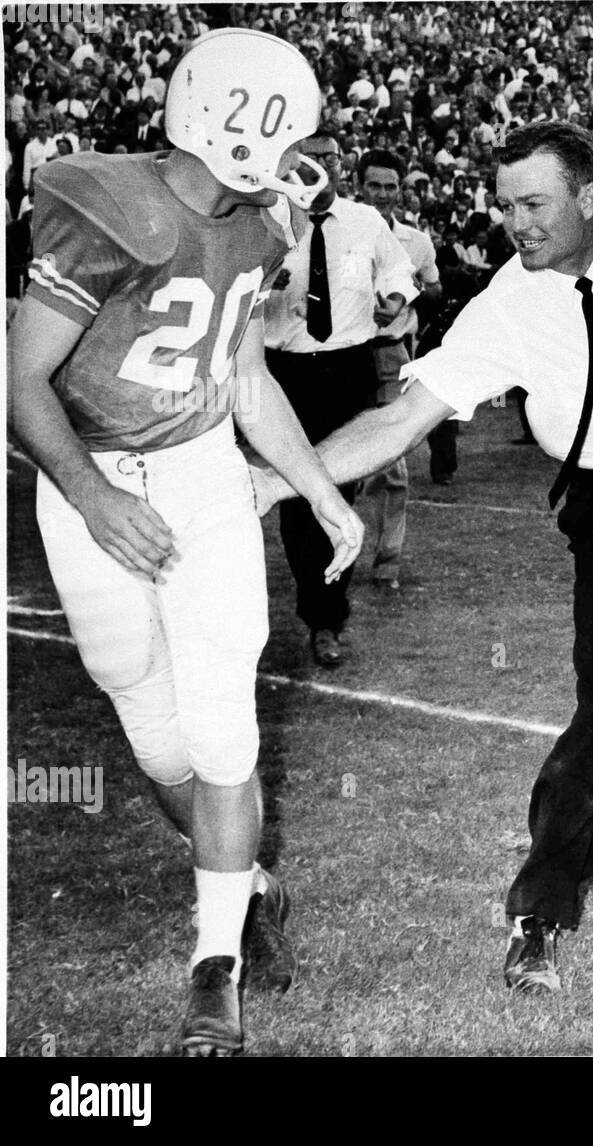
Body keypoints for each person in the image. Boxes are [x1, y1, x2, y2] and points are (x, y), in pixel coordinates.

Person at [251, 119, 593, 997]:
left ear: (589, 196)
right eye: (505, 205)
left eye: (535, 203)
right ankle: (540, 908)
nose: (517, 222)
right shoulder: (505, 303)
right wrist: (282, 481)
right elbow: (397, 422)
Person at [7, 29, 364, 1057]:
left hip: (202, 472)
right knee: (150, 724)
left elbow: (245, 376)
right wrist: (88, 493)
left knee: (220, 728)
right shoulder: (104, 204)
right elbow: (20, 383)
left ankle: (215, 968)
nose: (297, 153)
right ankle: (247, 888)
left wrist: (319, 494)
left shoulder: (258, 227)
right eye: (286, 130)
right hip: (93, 480)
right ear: (238, 124)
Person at [262, 130, 417, 666]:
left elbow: (398, 268)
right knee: (296, 492)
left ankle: (327, 614)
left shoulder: (365, 221)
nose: (319, 166)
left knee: (340, 489)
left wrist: (393, 295)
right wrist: (268, 284)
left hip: (348, 366)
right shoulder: (271, 218)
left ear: (340, 165)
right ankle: (319, 609)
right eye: (310, 158)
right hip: (284, 372)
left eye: (329, 158)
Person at [356, 147, 441, 589]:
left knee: (392, 462)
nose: (384, 194)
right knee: (329, 454)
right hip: (340, 357)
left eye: (391, 186)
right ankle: (332, 553)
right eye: (375, 185)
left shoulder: (416, 241)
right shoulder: (340, 232)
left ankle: (387, 560)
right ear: (359, 186)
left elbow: (435, 288)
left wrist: (407, 291)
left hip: (391, 355)